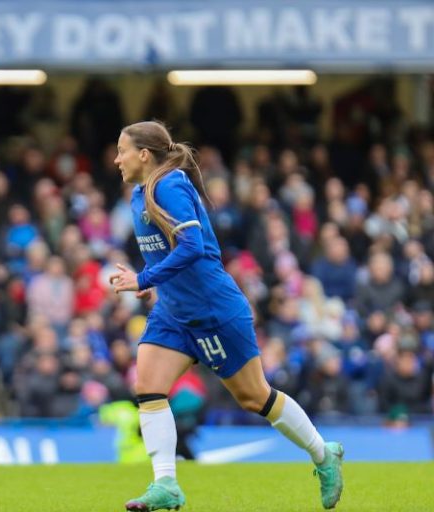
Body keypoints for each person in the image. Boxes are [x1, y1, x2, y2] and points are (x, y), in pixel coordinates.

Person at [108, 121, 343, 511]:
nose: (117, 159)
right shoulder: (139, 194)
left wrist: (144, 278)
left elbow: (193, 247)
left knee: (255, 396)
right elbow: (168, 253)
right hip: (174, 311)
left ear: (144, 155)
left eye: (123, 150)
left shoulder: (169, 185)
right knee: (147, 385)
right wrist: (154, 281)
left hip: (213, 310)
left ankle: (323, 454)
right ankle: (166, 484)